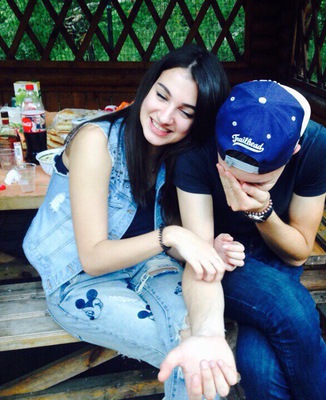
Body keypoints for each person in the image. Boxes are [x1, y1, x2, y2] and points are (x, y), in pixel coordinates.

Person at [22, 44, 240, 400]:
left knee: (201, 352)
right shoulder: (96, 141)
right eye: (162, 96)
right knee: (192, 362)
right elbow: (93, 259)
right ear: (147, 87)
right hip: (78, 280)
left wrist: (203, 248)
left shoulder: (182, 154)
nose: (165, 116)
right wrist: (172, 235)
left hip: (152, 267)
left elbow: (177, 248)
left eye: (185, 112)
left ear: (199, 121)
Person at [170, 80, 326, 399]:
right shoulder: (197, 147)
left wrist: (260, 211)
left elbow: (298, 252)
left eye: (257, 183)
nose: (239, 189)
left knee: (257, 366)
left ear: (294, 151)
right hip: (221, 256)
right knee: (292, 309)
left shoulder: (319, 146)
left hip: (277, 251)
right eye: (230, 176)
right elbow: (201, 255)